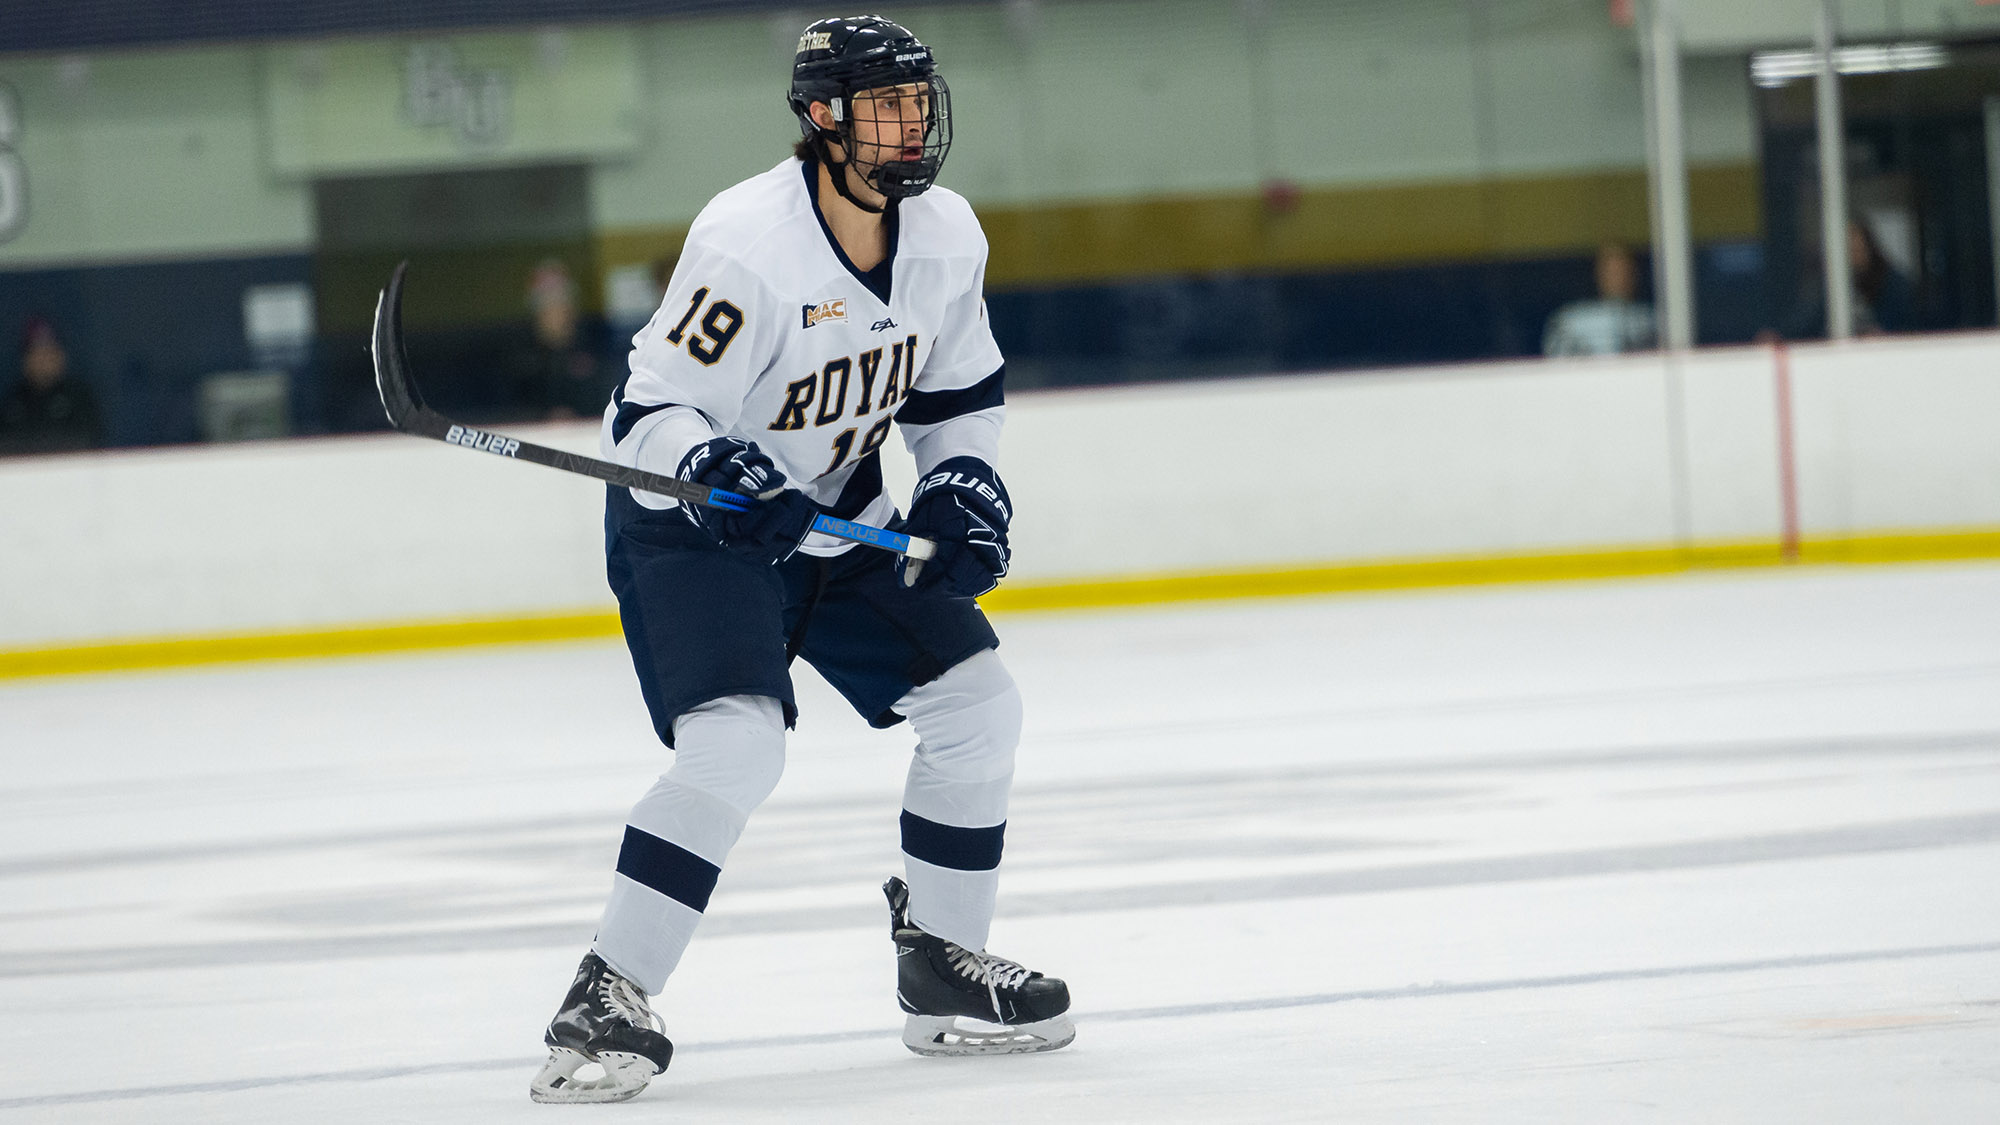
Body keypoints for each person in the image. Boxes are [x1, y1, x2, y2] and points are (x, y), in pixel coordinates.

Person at [528, 15, 1072, 1104]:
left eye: (917, 100)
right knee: (737, 748)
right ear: (821, 119)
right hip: (694, 527)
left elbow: (958, 398)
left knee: (978, 709)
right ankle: (608, 988)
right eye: (883, 103)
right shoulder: (748, 242)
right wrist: (718, 465)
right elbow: (647, 413)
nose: (910, 123)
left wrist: (964, 479)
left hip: (840, 508)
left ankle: (942, 967)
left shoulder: (946, 235)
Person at [505, 259, 613, 420]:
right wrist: (545, 418)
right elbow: (510, 408)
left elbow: (608, 399)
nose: (557, 310)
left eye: (561, 300)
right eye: (548, 302)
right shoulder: (520, 356)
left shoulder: (594, 347)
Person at [0, 316, 102, 455]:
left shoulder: (79, 398)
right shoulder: (12, 404)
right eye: (36, 353)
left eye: (49, 352)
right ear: (25, 360)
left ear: (61, 356)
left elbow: (90, 441)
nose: (43, 360)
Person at [1542, 242, 1657, 357]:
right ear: (1598, 274)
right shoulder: (1571, 320)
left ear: (1635, 274)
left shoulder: (1654, 319)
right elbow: (1557, 366)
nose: (1618, 276)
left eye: (1623, 269)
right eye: (1611, 270)